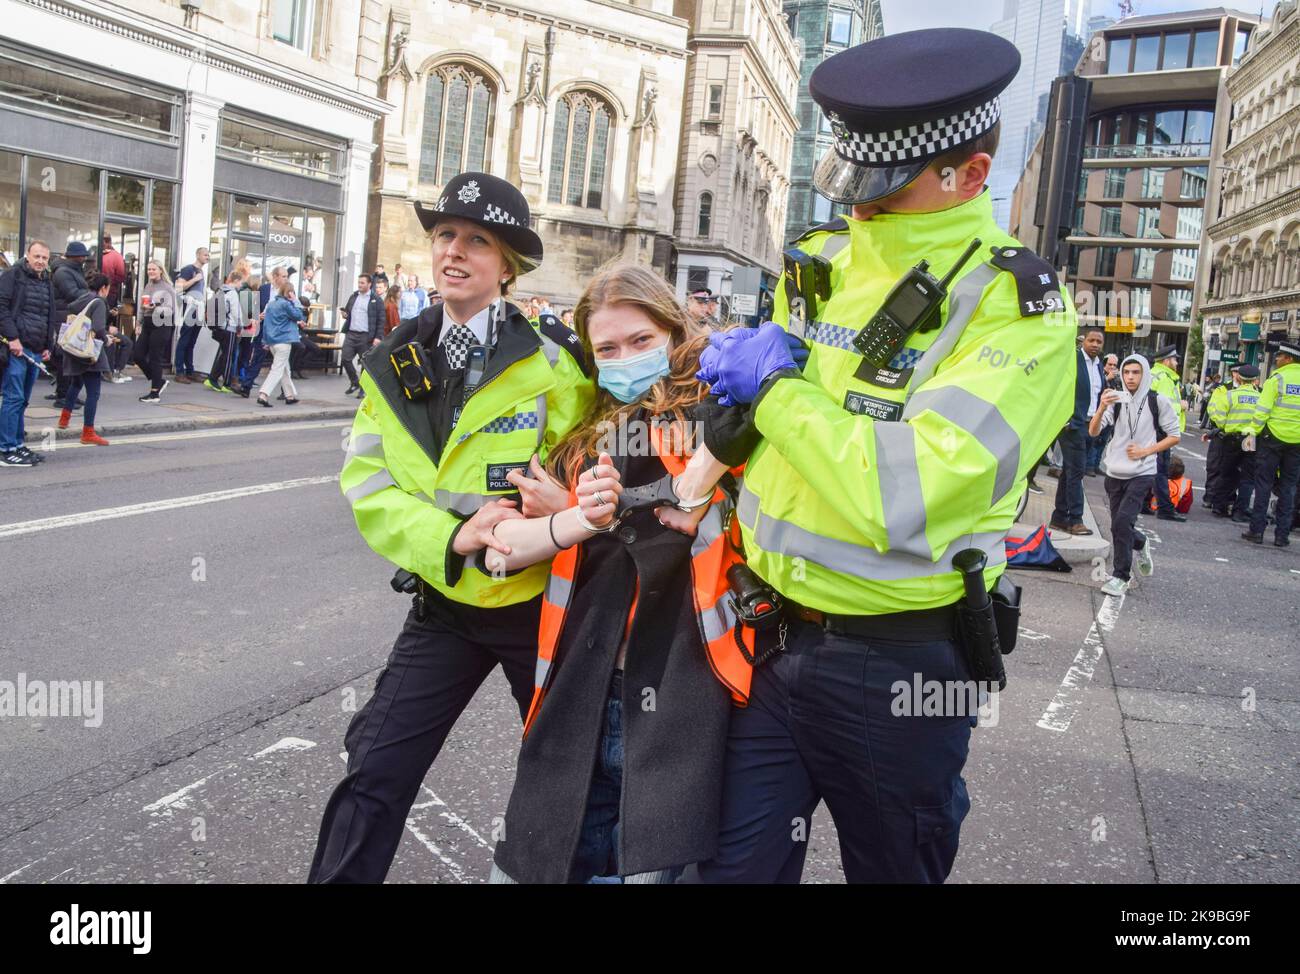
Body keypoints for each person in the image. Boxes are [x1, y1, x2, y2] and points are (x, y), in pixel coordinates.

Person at [677, 28, 1076, 884]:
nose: (858, 209)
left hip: (900, 670)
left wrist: (777, 394)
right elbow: (759, 432)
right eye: (852, 185)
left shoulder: (1015, 308)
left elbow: (908, 493)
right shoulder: (818, 262)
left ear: (972, 173)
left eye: (885, 190)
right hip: (771, 636)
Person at [308, 172, 593, 884]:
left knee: (575, 780)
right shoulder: (389, 365)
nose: (454, 252)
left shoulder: (558, 367)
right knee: (374, 766)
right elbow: (367, 486)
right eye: (444, 236)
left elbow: (596, 474)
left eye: (477, 241)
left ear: (508, 266)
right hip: (446, 602)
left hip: (539, 612)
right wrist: (452, 538)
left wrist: (558, 505)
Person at [484, 265, 754, 885]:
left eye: (640, 341)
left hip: (677, 683)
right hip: (585, 677)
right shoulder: (587, 437)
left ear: (674, 330)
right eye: (606, 348)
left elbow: (697, 536)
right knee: (540, 858)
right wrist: (576, 520)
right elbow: (504, 549)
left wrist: (591, 519)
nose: (625, 358)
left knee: (644, 861)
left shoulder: (713, 421)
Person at [1088, 355, 1179, 595]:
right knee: (1120, 526)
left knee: (1121, 523)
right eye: (1126, 372)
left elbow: (1174, 435)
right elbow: (1094, 431)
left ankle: (1121, 576)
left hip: (1143, 472)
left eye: (1135, 372)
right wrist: (1101, 407)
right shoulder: (1116, 399)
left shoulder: (1157, 401)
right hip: (1114, 471)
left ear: (1145, 374)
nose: (1129, 377)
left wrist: (1145, 451)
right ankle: (1140, 542)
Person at [0, 240, 58, 467]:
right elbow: (1, 308)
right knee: (13, 399)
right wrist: (13, 338)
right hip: (17, 349)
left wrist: (47, 346)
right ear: (27, 255)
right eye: (37, 256)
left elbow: (48, 316)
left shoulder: (47, 283)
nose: (41, 261)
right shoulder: (13, 276)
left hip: (34, 351)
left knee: (22, 401)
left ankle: (17, 444)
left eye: (45, 258)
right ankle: (5, 449)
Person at [1243, 341, 1300, 547]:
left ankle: (1256, 531)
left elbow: (1262, 411)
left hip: (1272, 439)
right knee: (1289, 487)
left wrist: (1251, 432)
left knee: (1263, 484)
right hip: (1297, 443)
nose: (1275, 360)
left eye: (1279, 356)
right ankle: (1282, 535)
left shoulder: (1277, 379)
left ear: (1289, 358)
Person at [1051, 328, 1105, 534]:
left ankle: (1058, 518)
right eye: (1091, 340)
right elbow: (1058, 387)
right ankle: (1075, 520)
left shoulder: (1099, 365)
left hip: (1090, 425)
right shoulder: (1073, 359)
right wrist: (1064, 419)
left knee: (1069, 472)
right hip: (1073, 425)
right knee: (1077, 472)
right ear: (1083, 341)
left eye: (1099, 341)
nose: (1095, 344)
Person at [59, 272, 113, 445]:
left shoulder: (82, 299)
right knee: (93, 393)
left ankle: (64, 420)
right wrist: (107, 339)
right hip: (87, 354)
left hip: (74, 349)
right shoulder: (99, 302)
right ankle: (88, 432)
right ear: (103, 288)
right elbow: (98, 327)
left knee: (75, 384)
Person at [1148, 344, 1187, 521]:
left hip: (1154, 429)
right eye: (1174, 359)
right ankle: (1165, 508)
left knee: (1151, 468)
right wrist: (1182, 406)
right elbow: (1164, 405)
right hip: (1162, 431)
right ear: (1166, 361)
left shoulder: (1156, 374)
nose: (1177, 362)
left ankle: (1143, 503)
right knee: (1161, 470)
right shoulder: (1164, 377)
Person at [51, 241, 91, 409]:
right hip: (64, 318)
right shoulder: (63, 272)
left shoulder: (73, 270)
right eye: (82, 256)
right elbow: (72, 294)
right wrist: (92, 294)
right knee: (65, 358)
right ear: (74, 256)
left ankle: (69, 393)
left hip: (70, 317)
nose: (84, 258)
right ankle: (63, 395)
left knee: (69, 357)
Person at [133, 260, 177, 403]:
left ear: (160, 271)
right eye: (149, 269)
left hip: (162, 324)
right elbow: (142, 306)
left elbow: (171, 310)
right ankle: (159, 381)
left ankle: (154, 394)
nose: (150, 271)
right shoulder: (148, 285)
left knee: (155, 357)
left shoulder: (167, 288)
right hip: (148, 323)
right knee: (137, 355)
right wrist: (138, 322)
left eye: (153, 269)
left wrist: (155, 308)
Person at [257, 279, 303, 407]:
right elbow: (299, 315)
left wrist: (265, 341)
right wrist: (295, 301)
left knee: (284, 369)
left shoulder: (271, 304)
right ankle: (263, 394)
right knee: (277, 370)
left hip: (272, 341)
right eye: (292, 292)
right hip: (284, 341)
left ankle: (289, 396)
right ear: (289, 293)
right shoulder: (287, 305)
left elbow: (266, 324)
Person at [204, 268, 245, 393]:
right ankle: (226, 384)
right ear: (236, 280)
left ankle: (212, 378)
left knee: (224, 355)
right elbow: (236, 312)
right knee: (228, 357)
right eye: (240, 282)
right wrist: (240, 326)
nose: (241, 285)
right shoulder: (232, 293)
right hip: (229, 328)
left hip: (219, 327)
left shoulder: (220, 290)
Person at [339, 273, 381, 396]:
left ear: (369, 284)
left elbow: (380, 320)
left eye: (362, 283)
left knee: (364, 363)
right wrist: (345, 314)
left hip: (365, 336)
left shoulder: (375, 300)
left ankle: (363, 388)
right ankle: (354, 382)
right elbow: (348, 312)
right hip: (351, 334)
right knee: (345, 359)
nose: (360, 285)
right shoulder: (354, 297)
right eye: (359, 282)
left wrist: (378, 337)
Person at [100, 234, 126, 307]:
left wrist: (107, 280)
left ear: (108, 242)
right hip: (95, 292)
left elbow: (121, 277)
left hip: (109, 294)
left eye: (102, 243)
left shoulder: (117, 256)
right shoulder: (98, 254)